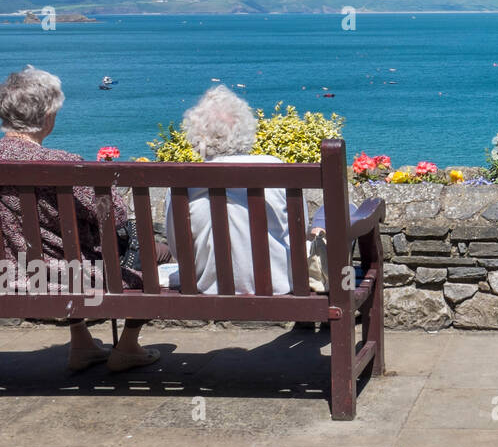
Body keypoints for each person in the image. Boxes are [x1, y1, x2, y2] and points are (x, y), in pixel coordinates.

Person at [0, 66, 161, 372]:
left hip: (9, 273)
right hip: (66, 275)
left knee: (64, 245)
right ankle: (127, 346)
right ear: (48, 116)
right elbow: (116, 214)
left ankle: (82, 344)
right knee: (138, 238)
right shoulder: (64, 164)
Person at [165, 85, 313, 295]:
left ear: (197, 134)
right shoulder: (277, 168)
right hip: (278, 286)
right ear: (246, 128)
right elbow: (300, 231)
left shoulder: (184, 181)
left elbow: (177, 247)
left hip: (209, 289)